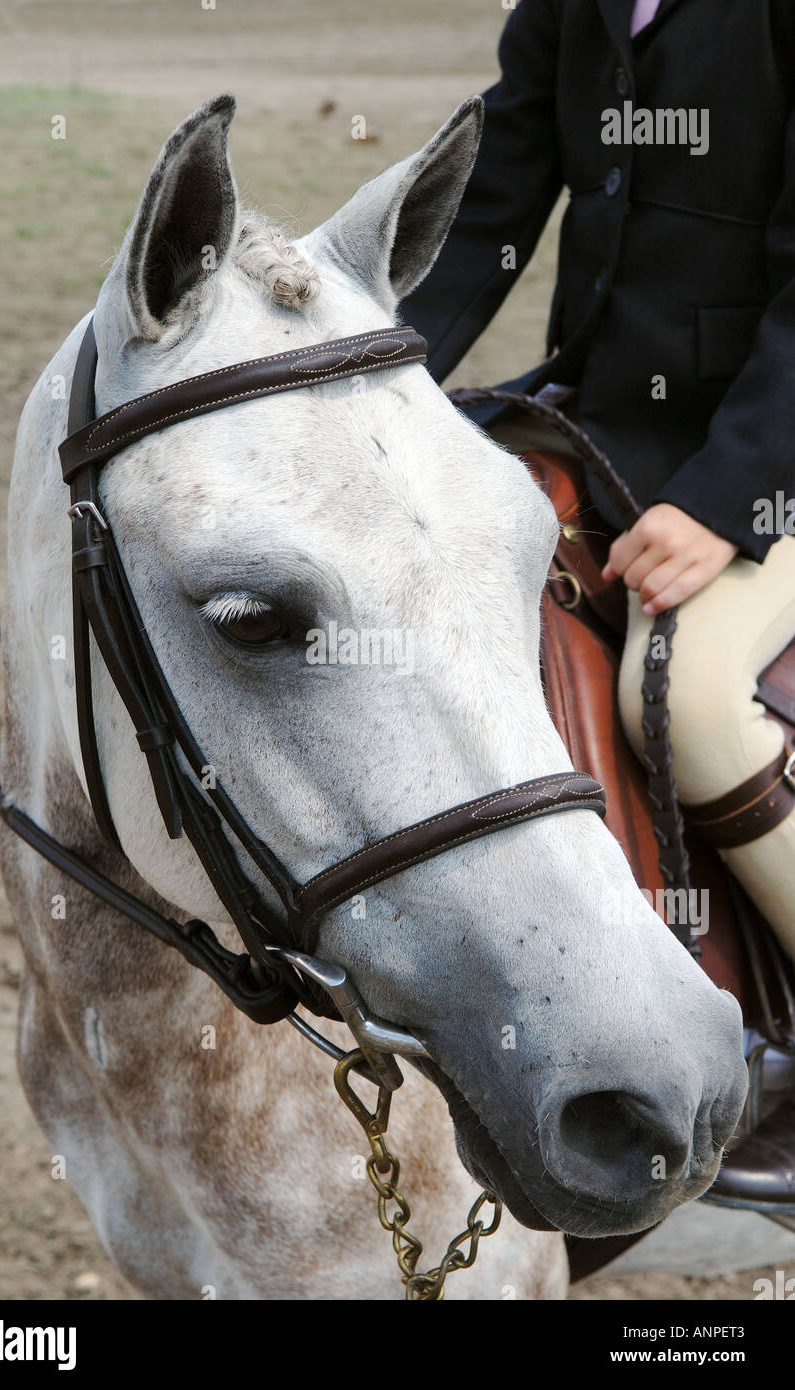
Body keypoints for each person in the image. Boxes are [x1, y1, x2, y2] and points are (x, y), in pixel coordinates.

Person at [401, 0, 795, 1210]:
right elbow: (490, 213)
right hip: (606, 417)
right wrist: (365, 377)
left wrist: (732, 497)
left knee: (691, 709)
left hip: (765, 455)